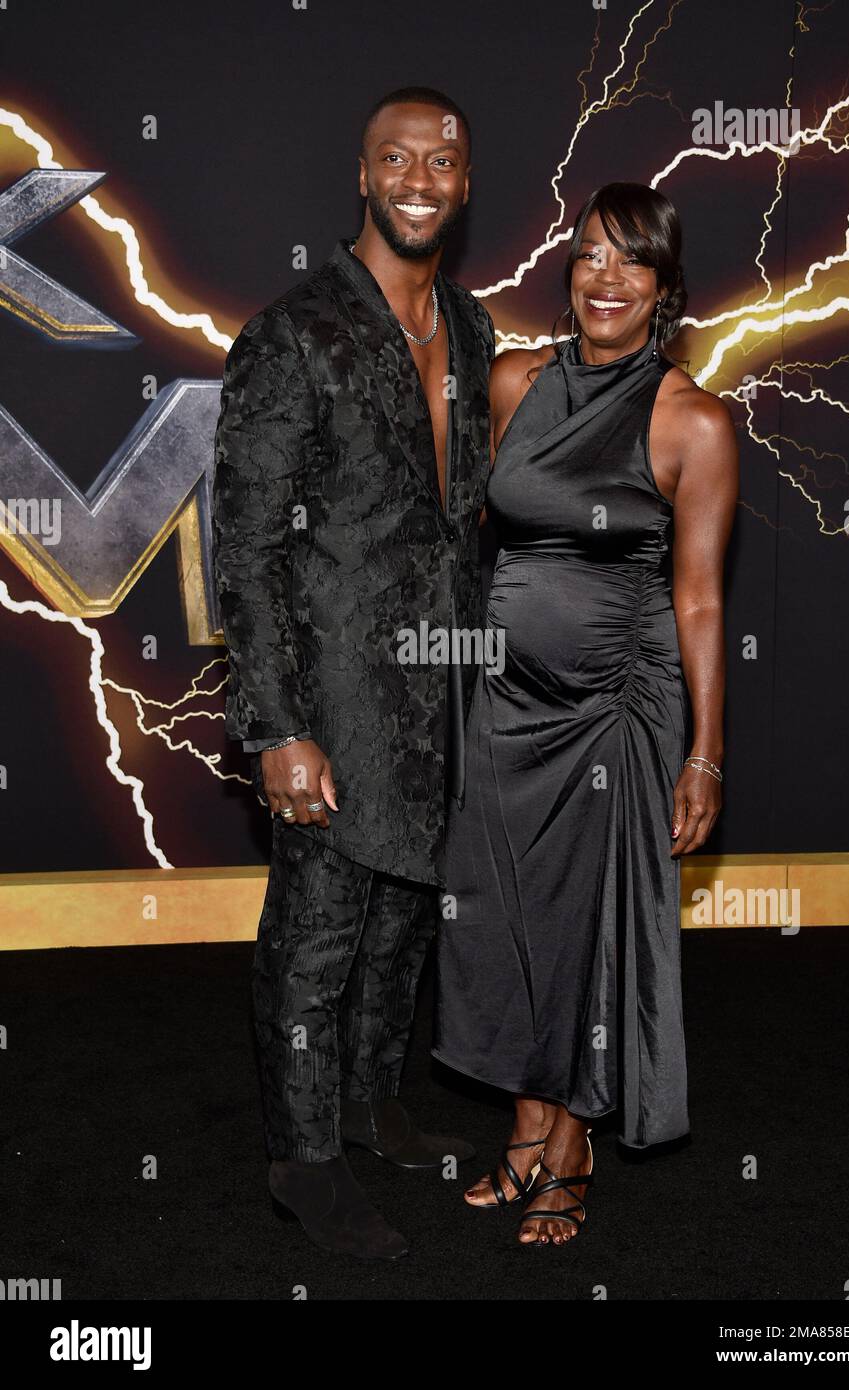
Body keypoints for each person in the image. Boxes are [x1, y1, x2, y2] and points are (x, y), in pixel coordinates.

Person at [212, 87, 494, 1261]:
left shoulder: (471, 328)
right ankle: (303, 1160)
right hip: (329, 697)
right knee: (317, 939)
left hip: (443, 689)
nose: (419, 176)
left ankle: (376, 1102)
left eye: (441, 159)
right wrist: (277, 724)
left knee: (404, 922)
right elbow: (247, 545)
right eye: (397, 157)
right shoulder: (294, 333)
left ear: (464, 184)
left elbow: (459, 518)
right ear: (363, 177)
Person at [432, 183, 738, 1247]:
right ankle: (528, 1126)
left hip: (616, 707)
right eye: (590, 256)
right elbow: (456, 531)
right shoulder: (515, 382)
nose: (606, 278)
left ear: (664, 287)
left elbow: (698, 596)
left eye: (632, 261)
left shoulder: (691, 419)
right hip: (503, 703)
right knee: (501, 917)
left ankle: (564, 1148)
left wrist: (703, 754)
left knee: (581, 930)